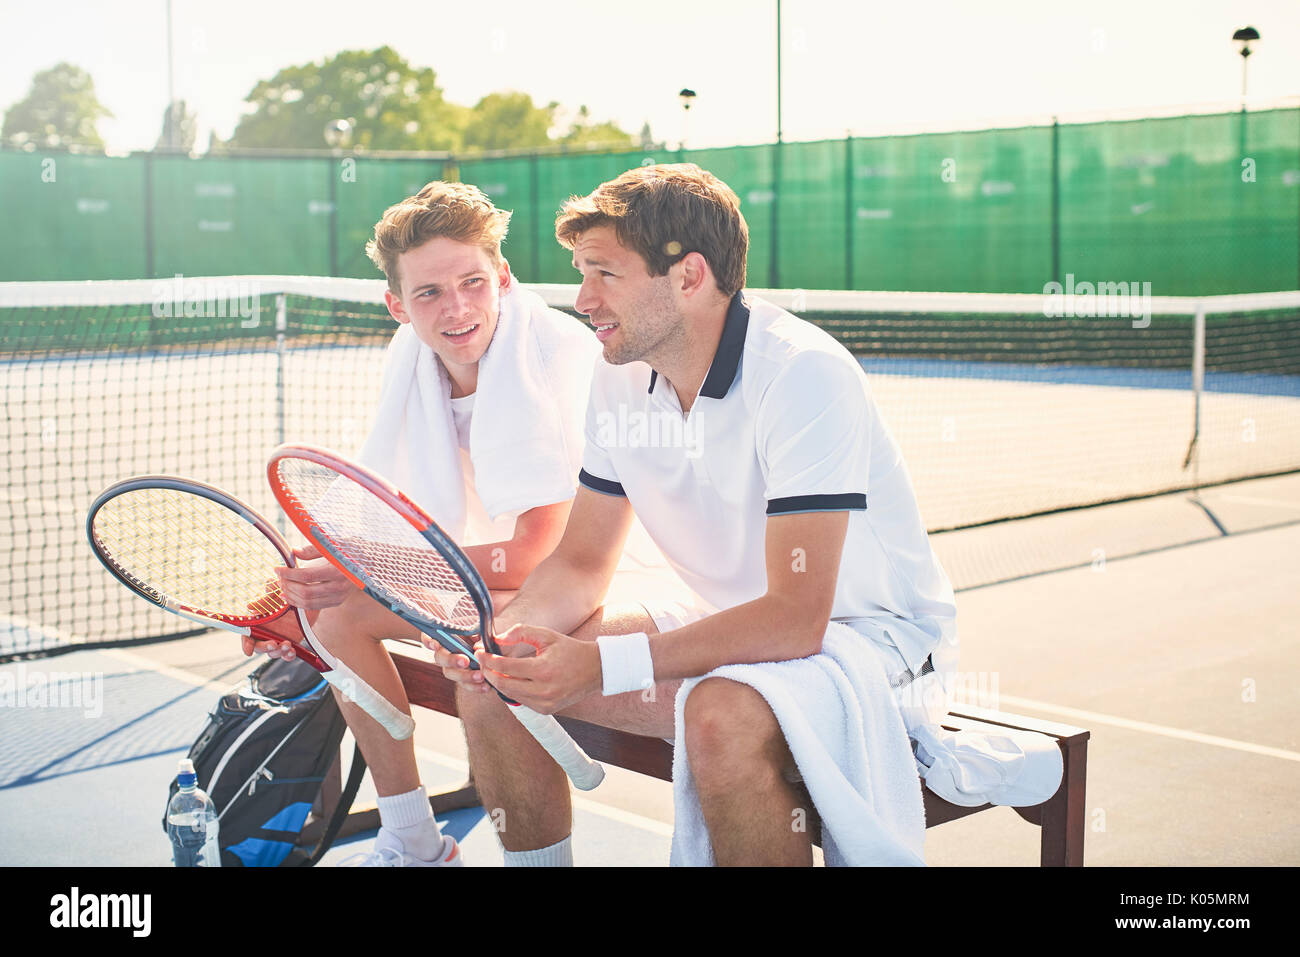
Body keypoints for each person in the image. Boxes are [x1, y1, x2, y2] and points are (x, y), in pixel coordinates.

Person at [428, 163, 963, 866]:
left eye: (604, 274)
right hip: (727, 620)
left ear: (688, 277)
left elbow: (796, 618)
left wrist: (598, 664)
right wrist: (497, 639)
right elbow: (583, 560)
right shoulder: (616, 375)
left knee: (719, 716)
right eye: (580, 273)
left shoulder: (804, 374)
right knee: (506, 678)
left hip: (875, 648)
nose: (582, 298)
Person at [241, 180, 646, 866]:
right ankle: (412, 839)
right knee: (330, 616)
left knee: (481, 674)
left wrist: (365, 567)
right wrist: (297, 592)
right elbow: (385, 524)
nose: (456, 308)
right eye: (428, 293)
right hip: (487, 576)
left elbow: (536, 553)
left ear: (504, 279)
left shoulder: (548, 356)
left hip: (599, 578)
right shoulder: (411, 356)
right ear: (396, 304)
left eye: (473, 282)